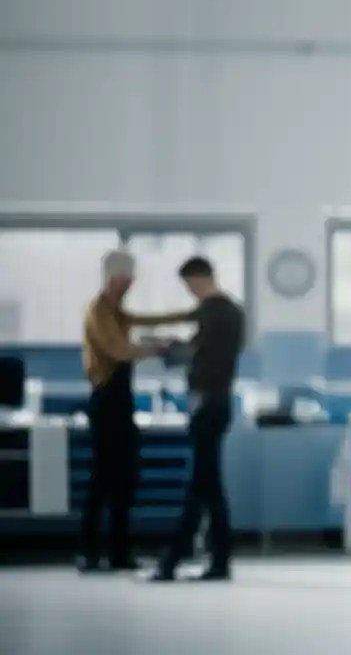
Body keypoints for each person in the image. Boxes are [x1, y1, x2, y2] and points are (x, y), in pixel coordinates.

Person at [78, 249, 191, 572]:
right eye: (125, 280)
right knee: (102, 480)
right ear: (112, 278)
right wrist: (157, 347)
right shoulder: (98, 310)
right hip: (106, 402)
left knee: (125, 480)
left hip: (121, 403)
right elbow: (119, 349)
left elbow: (147, 320)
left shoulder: (118, 311)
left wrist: (187, 315)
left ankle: (118, 553)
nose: (129, 286)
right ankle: (88, 553)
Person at [150, 256, 245, 582]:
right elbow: (208, 352)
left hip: (207, 403)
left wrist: (169, 350)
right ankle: (212, 561)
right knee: (207, 486)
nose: (190, 292)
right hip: (219, 402)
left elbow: (202, 358)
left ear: (200, 278)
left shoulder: (211, 311)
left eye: (190, 285)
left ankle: (172, 561)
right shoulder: (233, 312)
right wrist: (182, 347)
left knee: (201, 486)